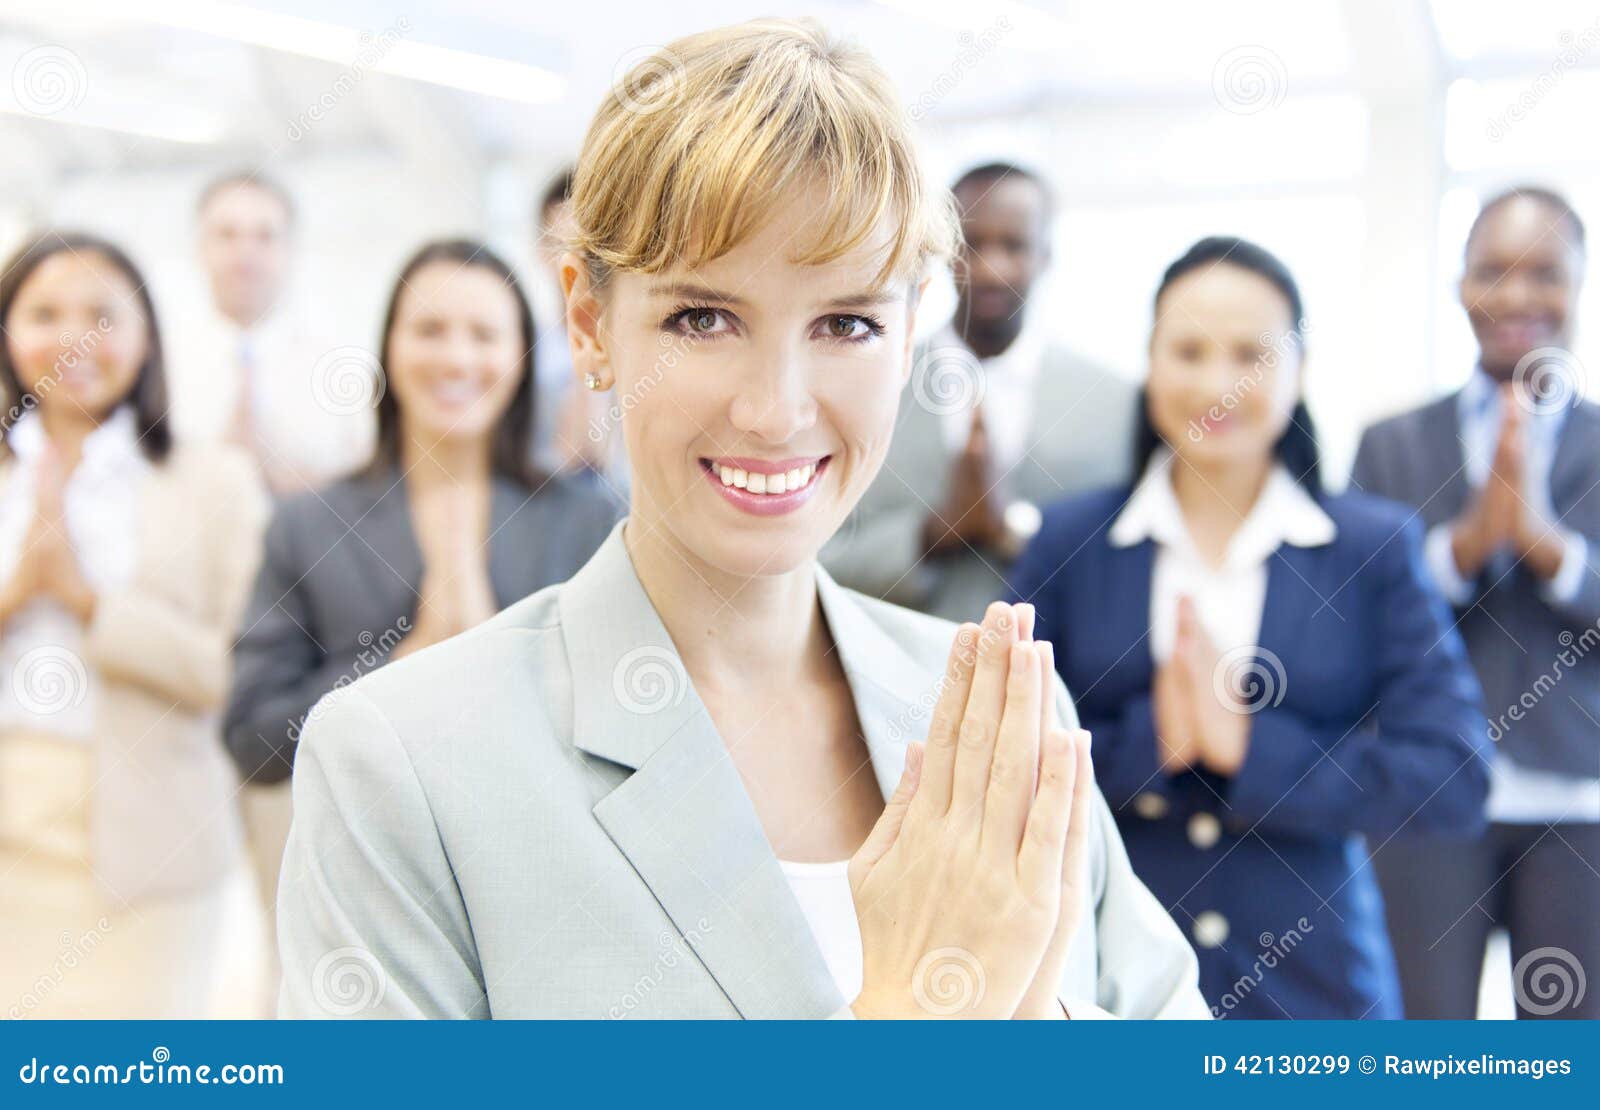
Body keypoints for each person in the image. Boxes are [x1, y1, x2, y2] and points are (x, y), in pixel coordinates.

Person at [275, 19, 1205, 1020]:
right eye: (703, 319)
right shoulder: (404, 763)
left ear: (909, 334)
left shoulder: (1000, 714)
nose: (776, 410)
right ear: (590, 324)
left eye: (846, 323)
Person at [1013, 237, 1490, 1018]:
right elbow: (1006, 762)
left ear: (1301, 369)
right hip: (1102, 982)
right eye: (1189, 351)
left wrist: (1249, 747)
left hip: (1314, 991)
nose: (1217, 384)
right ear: (1150, 362)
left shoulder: (1371, 549)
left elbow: (1454, 774)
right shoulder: (1068, 543)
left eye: (1251, 355)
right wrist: (1153, 742)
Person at [223, 239, 621, 996]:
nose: (456, 357)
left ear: (521, 356)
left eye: (484, 334)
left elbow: (627, 729)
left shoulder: (585, 519)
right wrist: (401, 658)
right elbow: (253, 739)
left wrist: (505, 662)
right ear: (390, 347)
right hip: (363, 913)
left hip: (550, 908)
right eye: (430, 330)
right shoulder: (307, 526)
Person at [0, 232, 266, 1017]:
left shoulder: (213, 482)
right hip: (11, 836)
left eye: (103, 316)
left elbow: (239, 671)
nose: (74, 339)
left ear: (147, 336)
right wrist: (18, 591)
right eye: (44, 314)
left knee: (134, 1069)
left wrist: (90, 602)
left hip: (150, 853)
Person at [1352, 186, 1600, 1020]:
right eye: (1493, 271)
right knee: (1422, 1046)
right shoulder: (1390, 445)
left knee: (1570, 1052)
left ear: (1580, 283)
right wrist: (1464, 545)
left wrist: (1546, 545)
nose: (1518, 295)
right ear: (1460, 283)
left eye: (1546, 273)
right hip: (1424, 797)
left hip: (1579, 801)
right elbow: (1355, 617)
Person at [822, 161, 1137, 624]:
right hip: (892, 659)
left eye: (1014, 245)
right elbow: (815, 556)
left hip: (1055, 663)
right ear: (944, 253)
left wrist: (1011, 527)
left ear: (1046, 255)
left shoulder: (1112, 401)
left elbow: (1125, 568)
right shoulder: (865, 381)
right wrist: (933, 532)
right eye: (972, 245)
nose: (991, 270)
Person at [169, 171, 374, 494]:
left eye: (265, 236)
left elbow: (369, 483)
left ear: (290, 250)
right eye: (226, 235)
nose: (245, 254)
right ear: (199, 248)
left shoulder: (344, 365)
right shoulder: (161, 361)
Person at [530, 167, 622, 478]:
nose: (576, 261)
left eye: (589, 248)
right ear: (541, 253)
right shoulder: (525, 352)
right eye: (561, 246)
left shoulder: (642, 347)